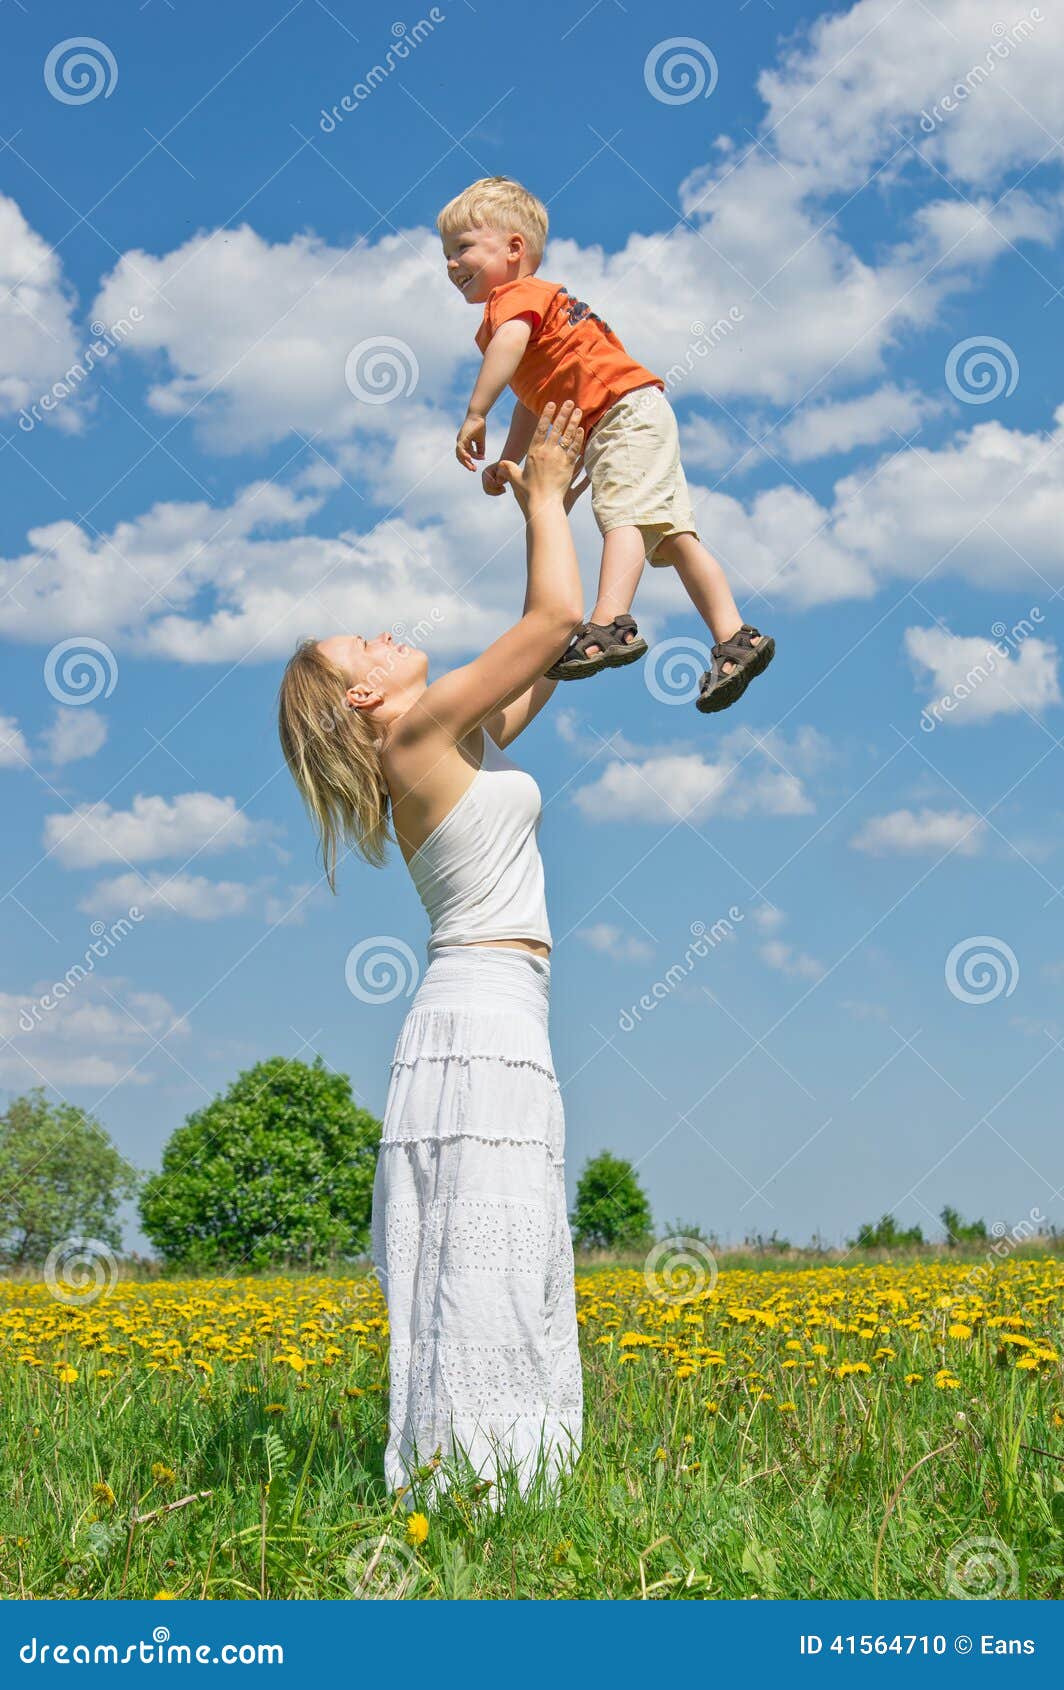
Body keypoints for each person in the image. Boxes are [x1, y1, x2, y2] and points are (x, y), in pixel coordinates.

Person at [277, 402, 588, 1509]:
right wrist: (542, 490)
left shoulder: (448, 733)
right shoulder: (412, 736)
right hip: (479, 1022)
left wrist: (559, 497)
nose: (381, 631)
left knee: (509, 1259)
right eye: (358, 644)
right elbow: (550, 622)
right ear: (365, 698)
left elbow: (545, 648)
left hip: (498, 1017)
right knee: (485, 1264)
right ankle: (476, 1497)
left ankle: (509, 1494)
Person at [437, 174, 776, 714]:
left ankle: (609, 623)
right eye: (446, 254)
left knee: (621, 517)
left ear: (514, 249)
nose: (450, 264)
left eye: (462, 249)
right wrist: (513, 458)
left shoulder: (514, 301)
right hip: (635, 412)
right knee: (671, 536)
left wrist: (475, 411)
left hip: (621, 415)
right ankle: (736, 637)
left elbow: (508, 347)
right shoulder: (534, 310)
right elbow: (532, 396)